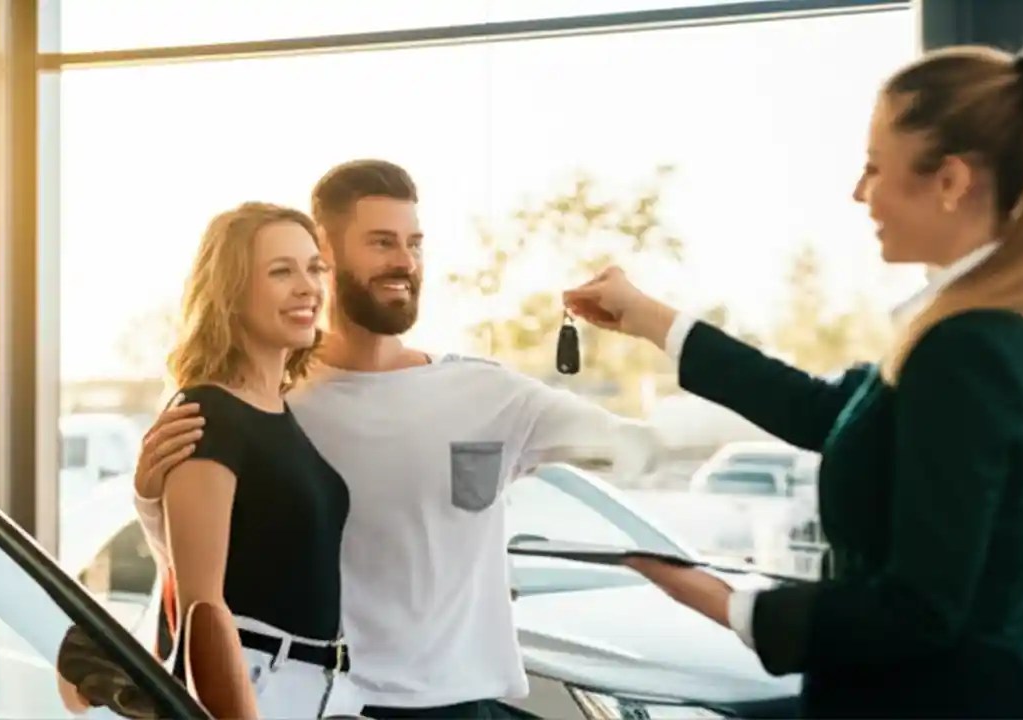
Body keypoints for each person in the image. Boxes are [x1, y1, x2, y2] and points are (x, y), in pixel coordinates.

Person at [562, 44, 1023, 718]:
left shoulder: (969, 349)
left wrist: (733, 605)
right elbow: (824, 412)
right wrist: (656, 320)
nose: (859, 193)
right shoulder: (977, 331)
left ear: (950, 182)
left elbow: (922, 608)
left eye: (873, 168)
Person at [134, 159, 660, 719]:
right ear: (328, 257)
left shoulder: (487, 396)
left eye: (414, 243)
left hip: (460, 704)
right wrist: (149, 499)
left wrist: (649, 320)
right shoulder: (272, 402)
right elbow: (208, 585)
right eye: (382, 242)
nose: (404, 261)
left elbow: (641, 450)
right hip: (333, 702)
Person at [152, 201, 360, 719]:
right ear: (232, 292)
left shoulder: (281, 412)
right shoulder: (210, 413)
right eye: (280, 271)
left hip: (312, 686)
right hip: (257, 686)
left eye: (314, 268)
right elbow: (202, 610)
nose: (307, 286)